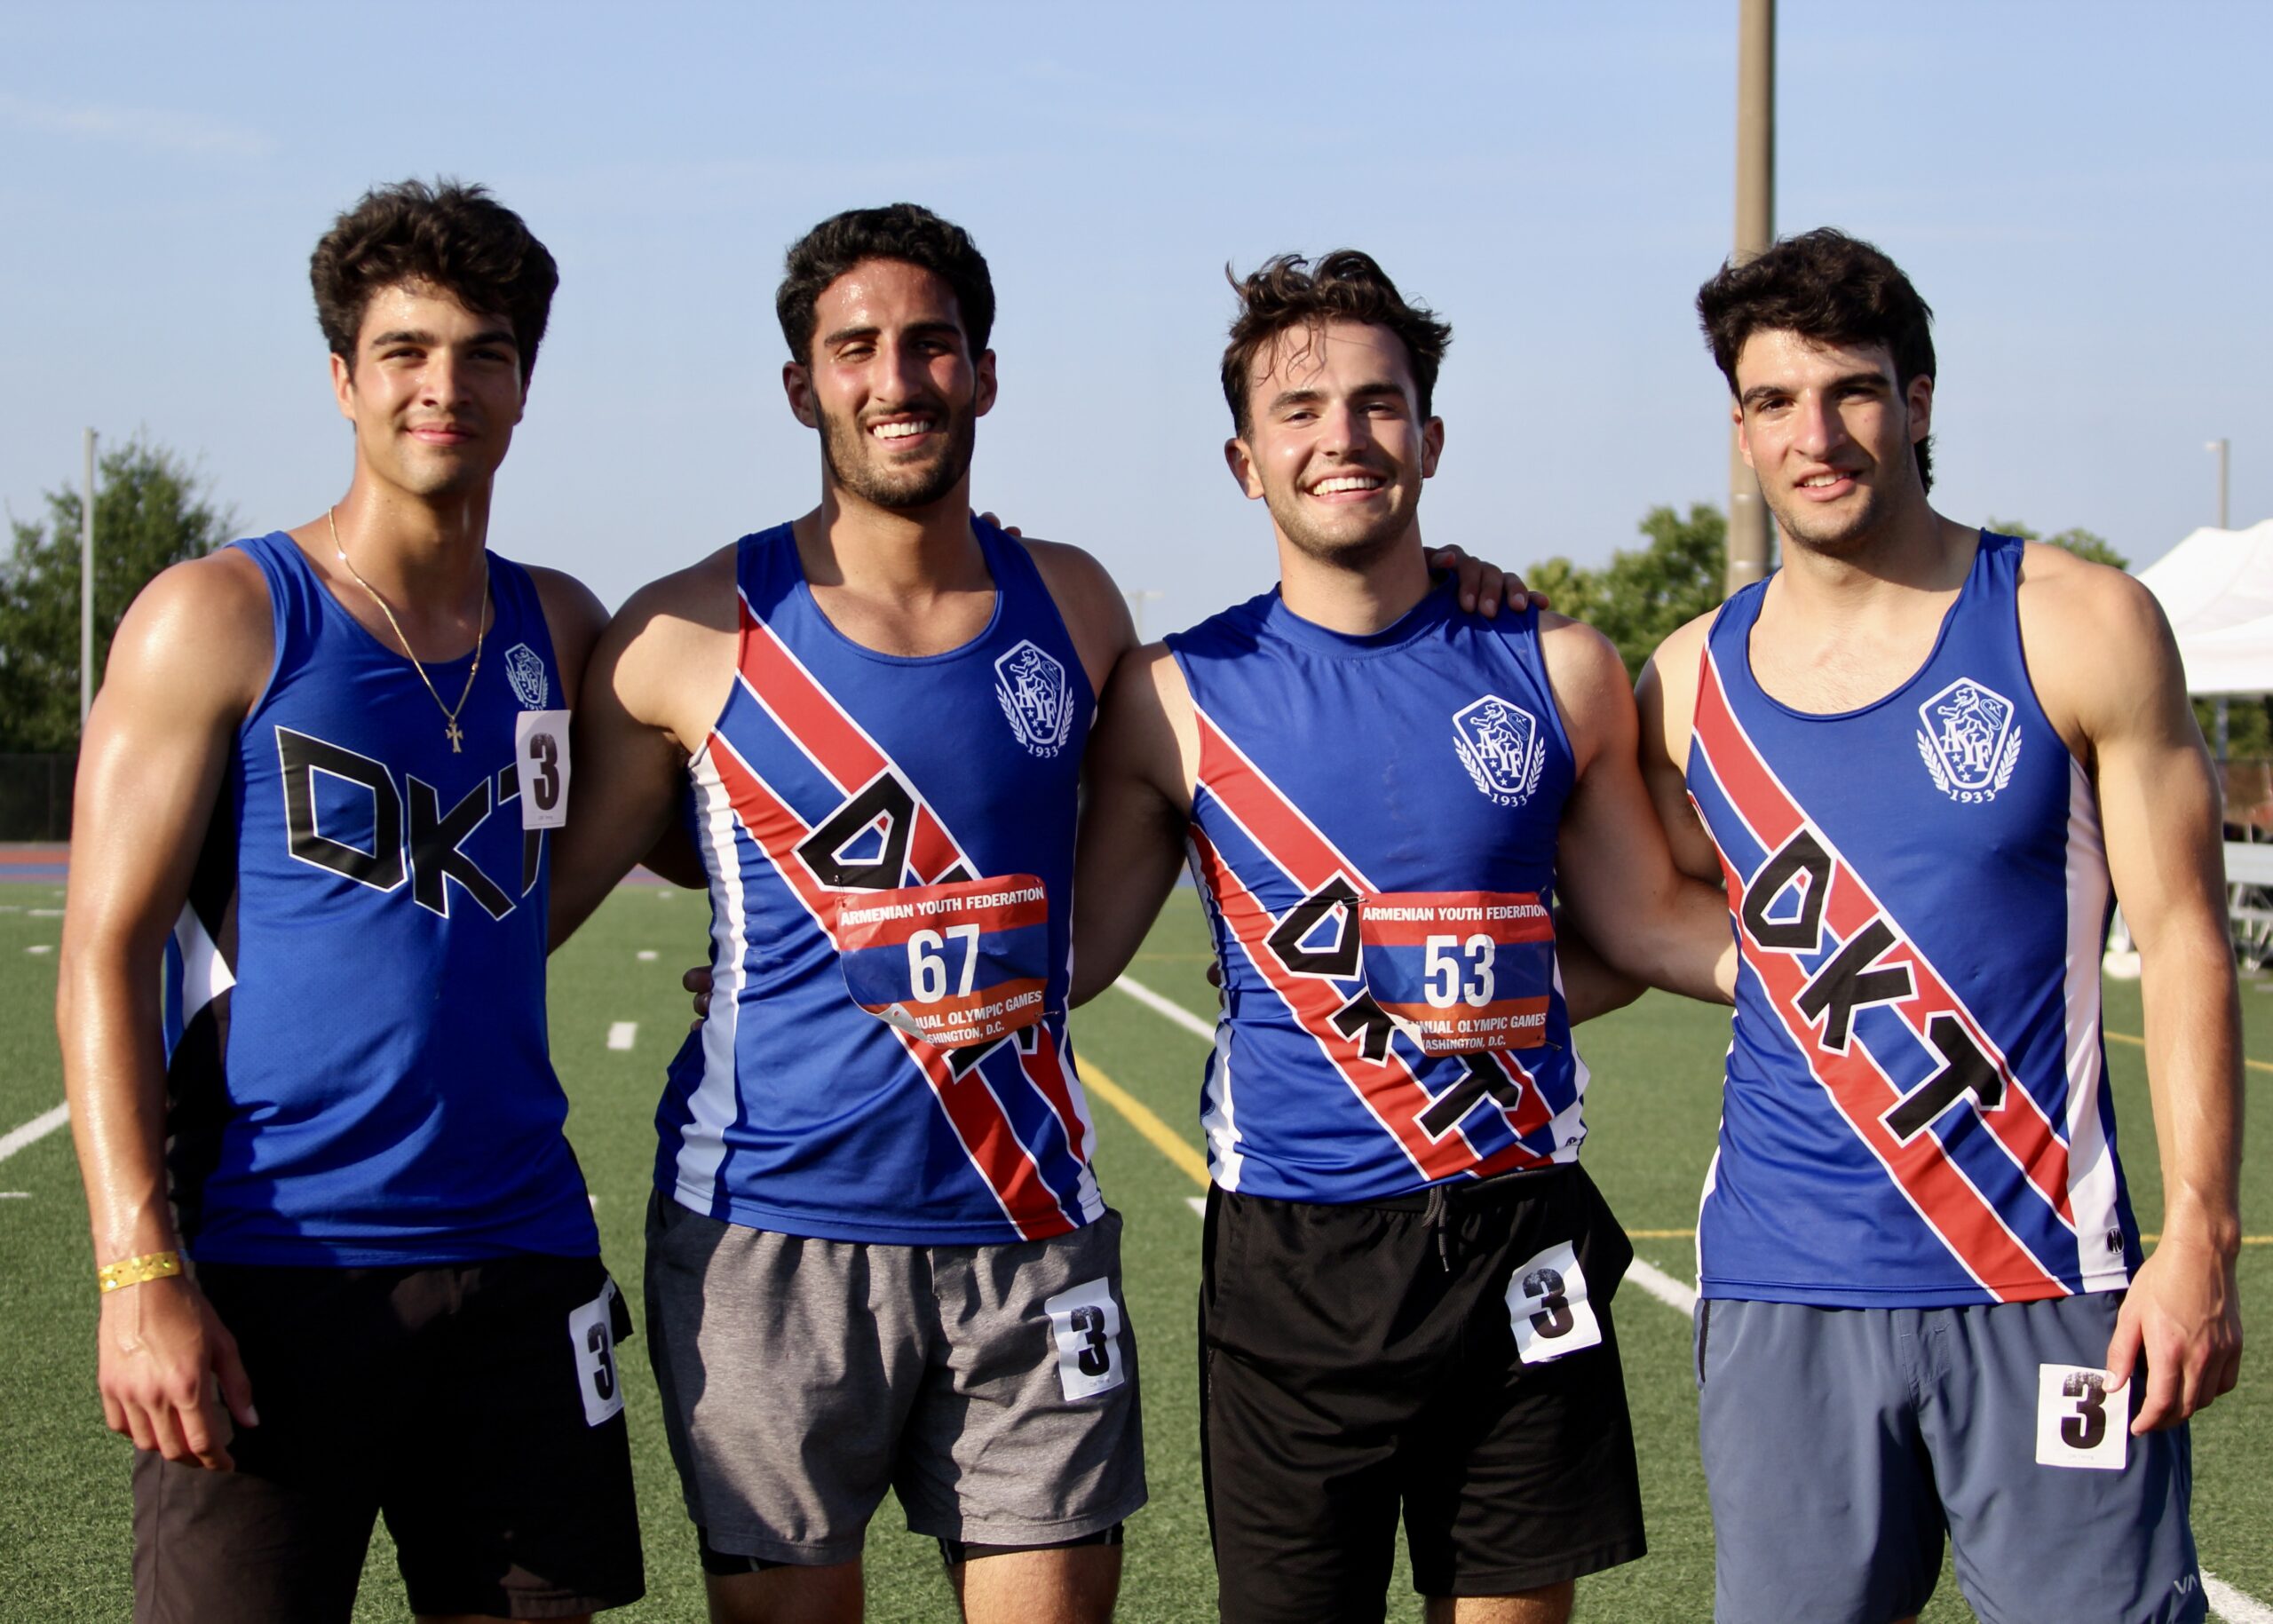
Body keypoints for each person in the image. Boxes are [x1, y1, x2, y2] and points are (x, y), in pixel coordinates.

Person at [1068, 250, 1736, 1624]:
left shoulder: (1560, 667)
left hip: (1515, 1234)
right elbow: (1065, 958)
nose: (1342, 438)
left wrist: (1867, 949)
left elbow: (1644, 931)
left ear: (1428, 437)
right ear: (1245, 459)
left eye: (1378, 405)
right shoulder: (1173, 696)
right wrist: (816, 971)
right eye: (1300, 410)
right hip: (1292, 1256)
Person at [551, 203, 1151, 1624]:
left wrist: (1451, 587)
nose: (898, 379)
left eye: (931, 344)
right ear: (801, 384)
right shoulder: (684, 632)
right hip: (768, 1231)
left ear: (984, 372)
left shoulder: (1074, 601)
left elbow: (1182, 799)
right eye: (857, 348)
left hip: (1029, 1219)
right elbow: (535, 906)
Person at [1634, 226, 2244, 1624]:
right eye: (1776, 401)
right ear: (1739, 430)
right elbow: (1633, 914)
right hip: (1785, 1291)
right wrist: (1774, 969)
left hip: (2047, 1276)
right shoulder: (1687, 687)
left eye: (1852, 389)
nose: (1817, 432)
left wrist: (2201, 1230)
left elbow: (2190, 937)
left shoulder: (2077, 623)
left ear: (1919, 397)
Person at [55, 180, 643, 1622]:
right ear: (343, 378)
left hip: (520, 1260)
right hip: (274, 1265)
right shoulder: (223, 613)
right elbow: (103, 951)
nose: (446, 385)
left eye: (486, 352)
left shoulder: (559, 625)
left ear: (525, 385)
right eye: (407, 351)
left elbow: (602, 869)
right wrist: (138, 1263)